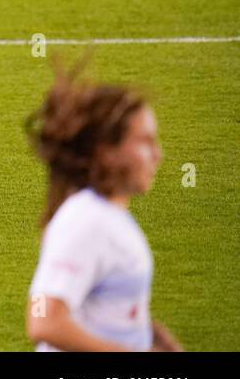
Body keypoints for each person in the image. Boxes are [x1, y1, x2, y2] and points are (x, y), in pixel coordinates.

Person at [24, 63, 184, 351]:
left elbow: (112, 309)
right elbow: (42, 320)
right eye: (145, 142)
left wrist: (153, 338)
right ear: (107, 153)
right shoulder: (87, 221)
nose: (158, 155)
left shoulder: (109, 218)